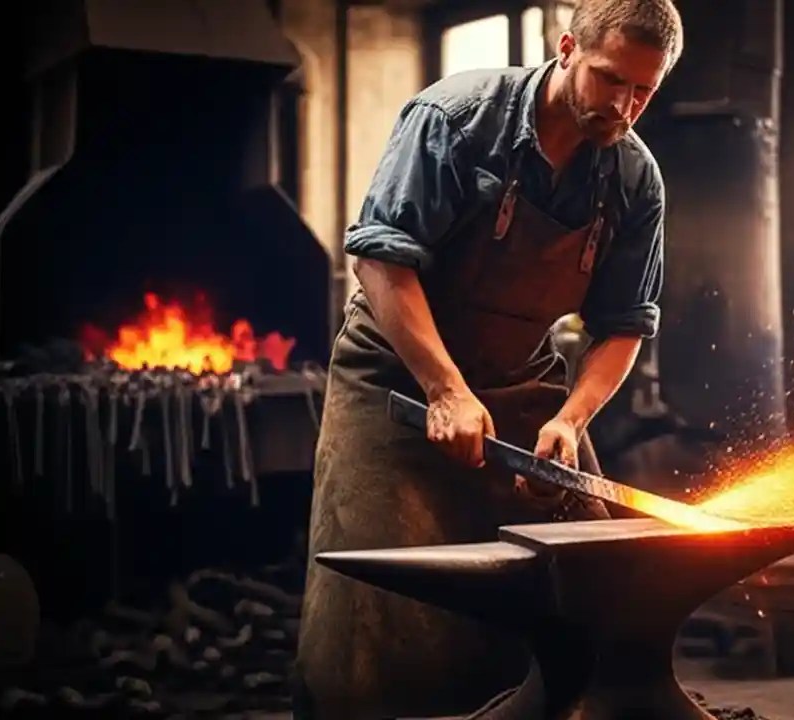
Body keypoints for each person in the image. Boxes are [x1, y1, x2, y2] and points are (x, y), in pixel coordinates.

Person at [293, 1, 684, 717]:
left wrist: (571, 418)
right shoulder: (457, 120)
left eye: (643, 91)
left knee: (596, 580)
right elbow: (380, 263)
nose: (625, 106)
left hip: (521, 380)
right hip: (395, 378)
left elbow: (623, 327)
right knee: (378, 613)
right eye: (610, 79)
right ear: (566, 48)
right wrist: (444, 389)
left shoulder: (635, 179)